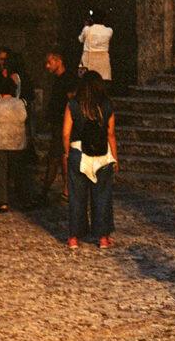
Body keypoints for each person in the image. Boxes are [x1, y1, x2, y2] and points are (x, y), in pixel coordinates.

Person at [63, 69, 118, 248]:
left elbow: (65, 133)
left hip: (78, 152)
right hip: (102, 154)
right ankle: (102, 237)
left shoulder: (73, 104)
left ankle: (74, 237)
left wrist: (66, 152)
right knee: (102, 195)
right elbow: (111, 134)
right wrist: (115, 158)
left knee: (77, 197)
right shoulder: (107, 105)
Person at [38, 51, 78, 203]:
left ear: (58, 62)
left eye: (50, 62)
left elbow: (71, 100)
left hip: (63, 123)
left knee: (57, 157)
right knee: (57, 157)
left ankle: (53, 191)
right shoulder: (58, 79)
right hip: (57, 123)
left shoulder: (68, 79)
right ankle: (59, 190)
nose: (47, 66)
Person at [0, 85, 31, 211]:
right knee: (18, 171)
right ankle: (23, 200)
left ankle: (2, 201)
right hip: (16, 140)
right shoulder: (20, 103)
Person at [78, 13, 113, 83]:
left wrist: (86, 25)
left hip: (89, 59)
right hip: (103, 60)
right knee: (103, 80)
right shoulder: (109, 31)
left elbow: (80, 39)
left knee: (88, 81)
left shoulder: (87, 29)